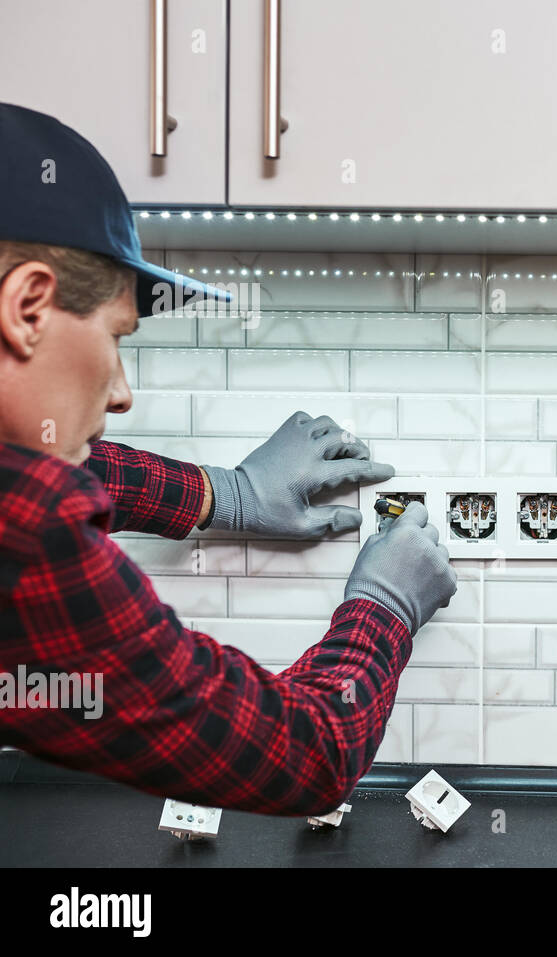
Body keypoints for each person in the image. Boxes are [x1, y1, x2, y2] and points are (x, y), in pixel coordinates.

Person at [0, 103, 456, 815]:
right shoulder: (25, 543)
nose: (121, 392)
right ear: (27, 307)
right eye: (117, 336)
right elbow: (307, 753)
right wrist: (384, 608)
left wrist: (228, 493)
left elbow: (77, 473)